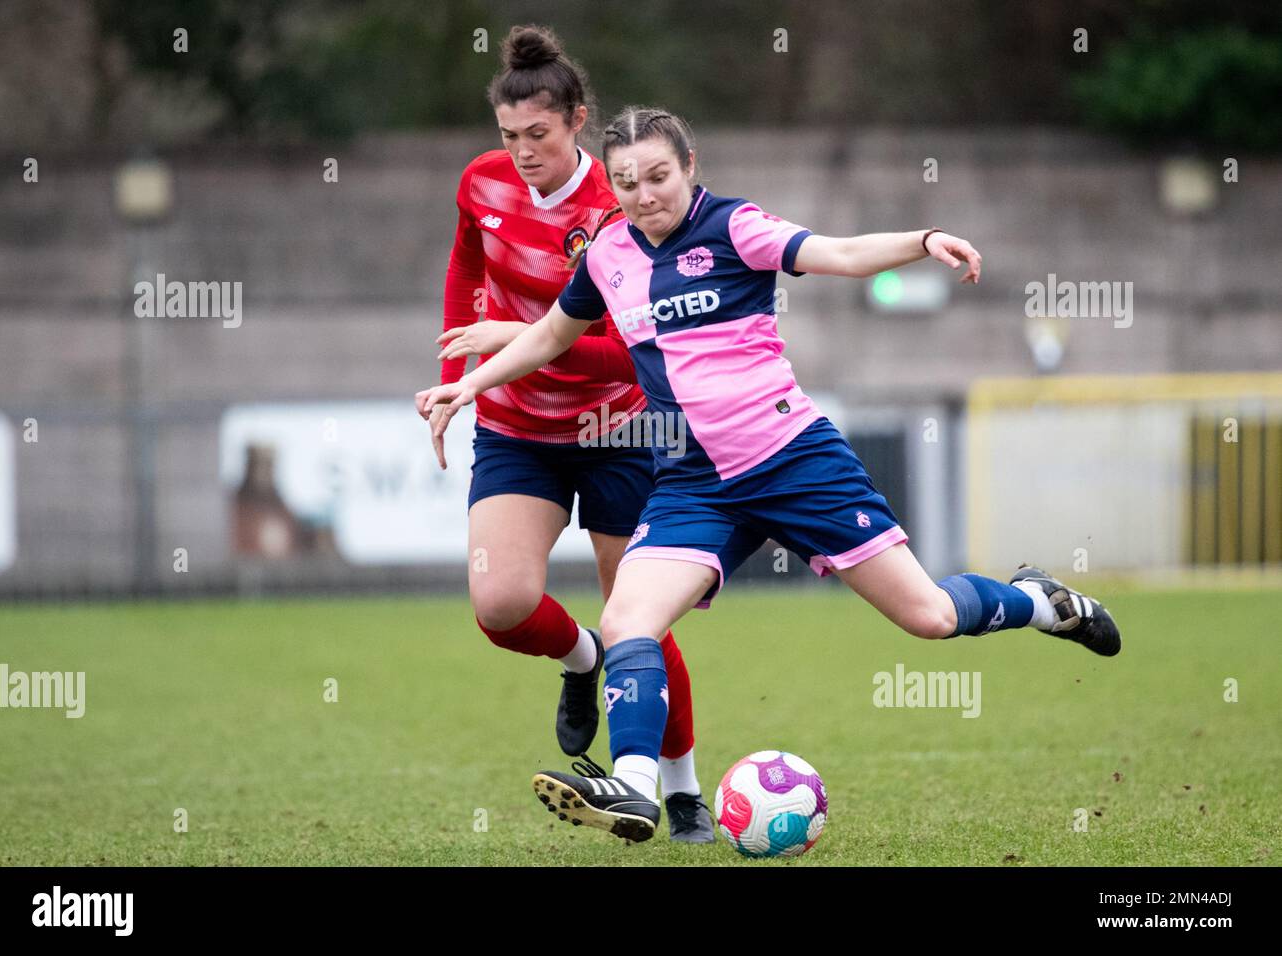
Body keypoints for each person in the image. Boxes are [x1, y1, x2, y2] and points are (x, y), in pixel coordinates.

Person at [418, 106, 1121, 843]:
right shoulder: (607, 255)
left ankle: (1040, 601)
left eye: (658, 176)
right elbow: (550, 336)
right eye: (626, 182)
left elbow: (842, 254)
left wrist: (923, 240)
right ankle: (633, 786)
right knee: (629, 620)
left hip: (793, 461)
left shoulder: (734, 228)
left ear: (691, 167)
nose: (643, 194)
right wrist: (469, 384)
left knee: (930, 618)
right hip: (693, 480)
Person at [433, 34, 711, 841]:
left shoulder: (618, 209)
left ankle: (683, 786)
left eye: (538, 136)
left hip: (622, 427)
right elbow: (463, 266)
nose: (520, 153)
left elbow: (629, 343)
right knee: (501, 603)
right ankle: (583, 661)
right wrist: (459, 374)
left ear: (577, 123)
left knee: (644, 617)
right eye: (508, 135)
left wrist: (503, 337)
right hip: (519, 430)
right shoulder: (479, 183)